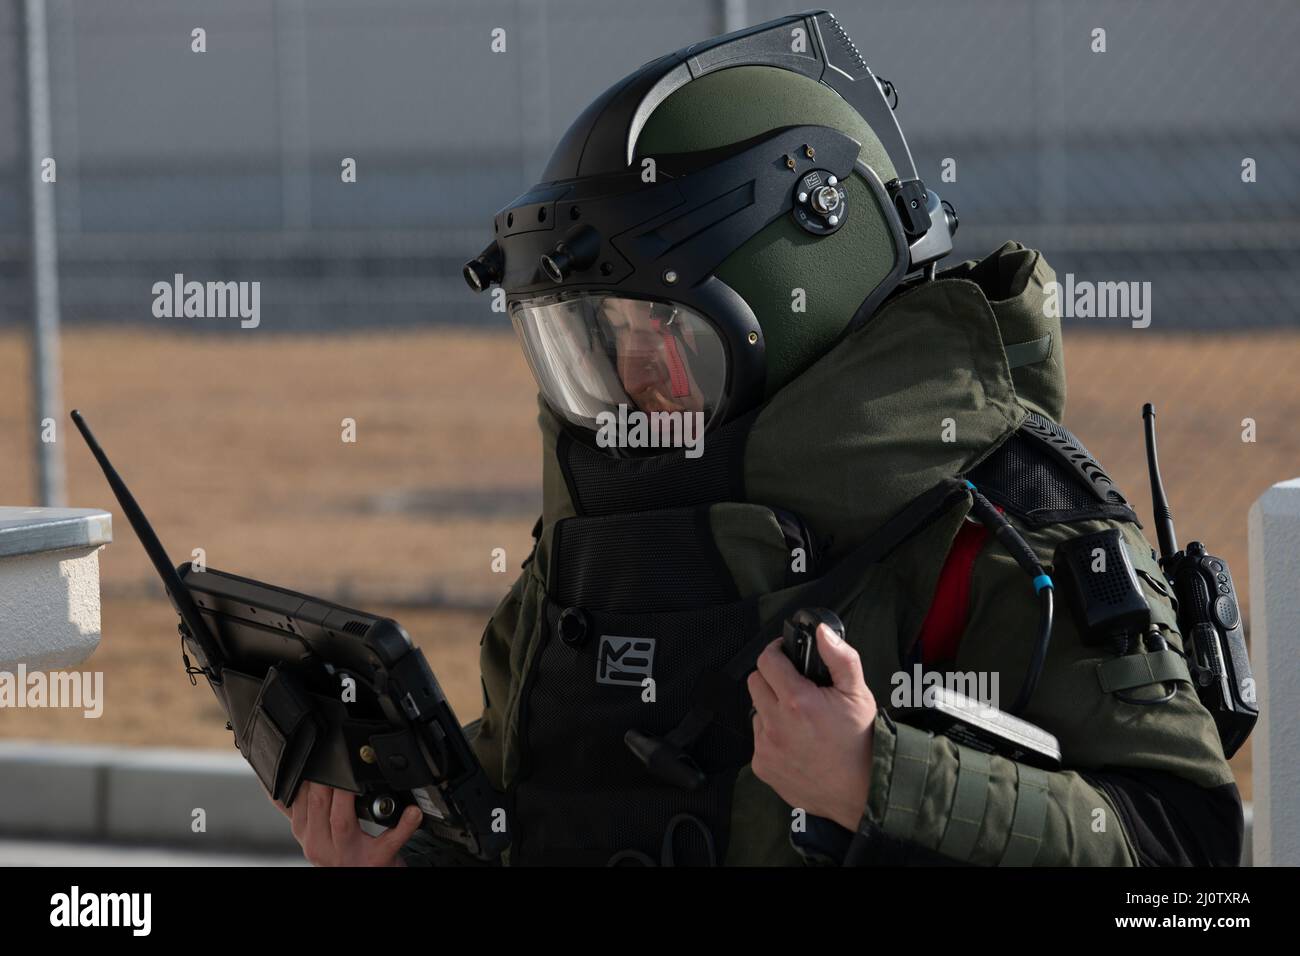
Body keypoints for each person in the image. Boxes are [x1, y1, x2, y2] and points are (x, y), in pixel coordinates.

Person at [283, 12, 1243, 867]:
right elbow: (533, 813)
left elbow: (1189, 850)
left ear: (797, 293)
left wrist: (881, 780)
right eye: (600, 338)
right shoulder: (605, 522)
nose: (634, 381)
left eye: (661, 331)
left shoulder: (1009, 519)